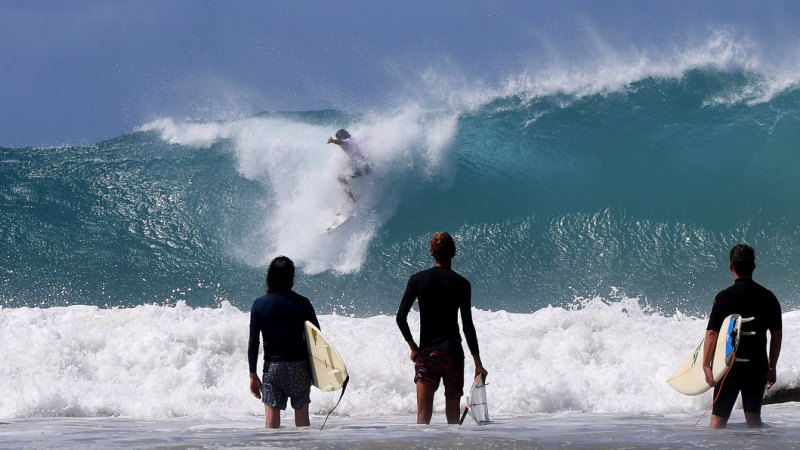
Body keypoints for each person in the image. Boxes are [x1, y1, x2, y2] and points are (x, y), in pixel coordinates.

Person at [396, 232, 488, 424]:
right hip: (452, 353)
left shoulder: (417, 279)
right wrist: (478, 363)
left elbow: (400, 318)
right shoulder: (462, 283)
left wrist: (413, 348)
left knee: (423, 417)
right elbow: (467, 326)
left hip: (427, 354)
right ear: (453, 252)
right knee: (453, 419)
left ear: (432, 252)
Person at [702, 244, 782, 428]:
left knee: (718, 421)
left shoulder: (724, 297)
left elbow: (712, 333)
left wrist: (706, 365)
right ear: (753, 267)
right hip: (757, 365)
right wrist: (771, 366)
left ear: (731, 267)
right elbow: (777, 335)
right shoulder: (768, 297)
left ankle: (716, 444)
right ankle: (758, 443)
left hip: (728, 365)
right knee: (753, 419)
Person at [248, 256, 320, 428]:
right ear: (291, 277)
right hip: (299, 367)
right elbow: (316, 337)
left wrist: (252, 374)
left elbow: (253, 342)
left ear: (269, 276)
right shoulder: (303, 303)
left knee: (271, 422)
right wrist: (318, 371)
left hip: (273, 368)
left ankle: (272, 444)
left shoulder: (259, 304)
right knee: (302, 420)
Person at [327, 129, 370, 203]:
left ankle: (351, 200)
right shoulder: (357, 139)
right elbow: (368, 138)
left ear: (342, 137)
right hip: (369, 165)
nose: (338, 139)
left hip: (364, 168)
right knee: (348, 167)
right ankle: (358, 193)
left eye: (338, 137)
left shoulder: (346, 142)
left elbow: (340, 142)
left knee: (340, 177)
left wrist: (333, 141)